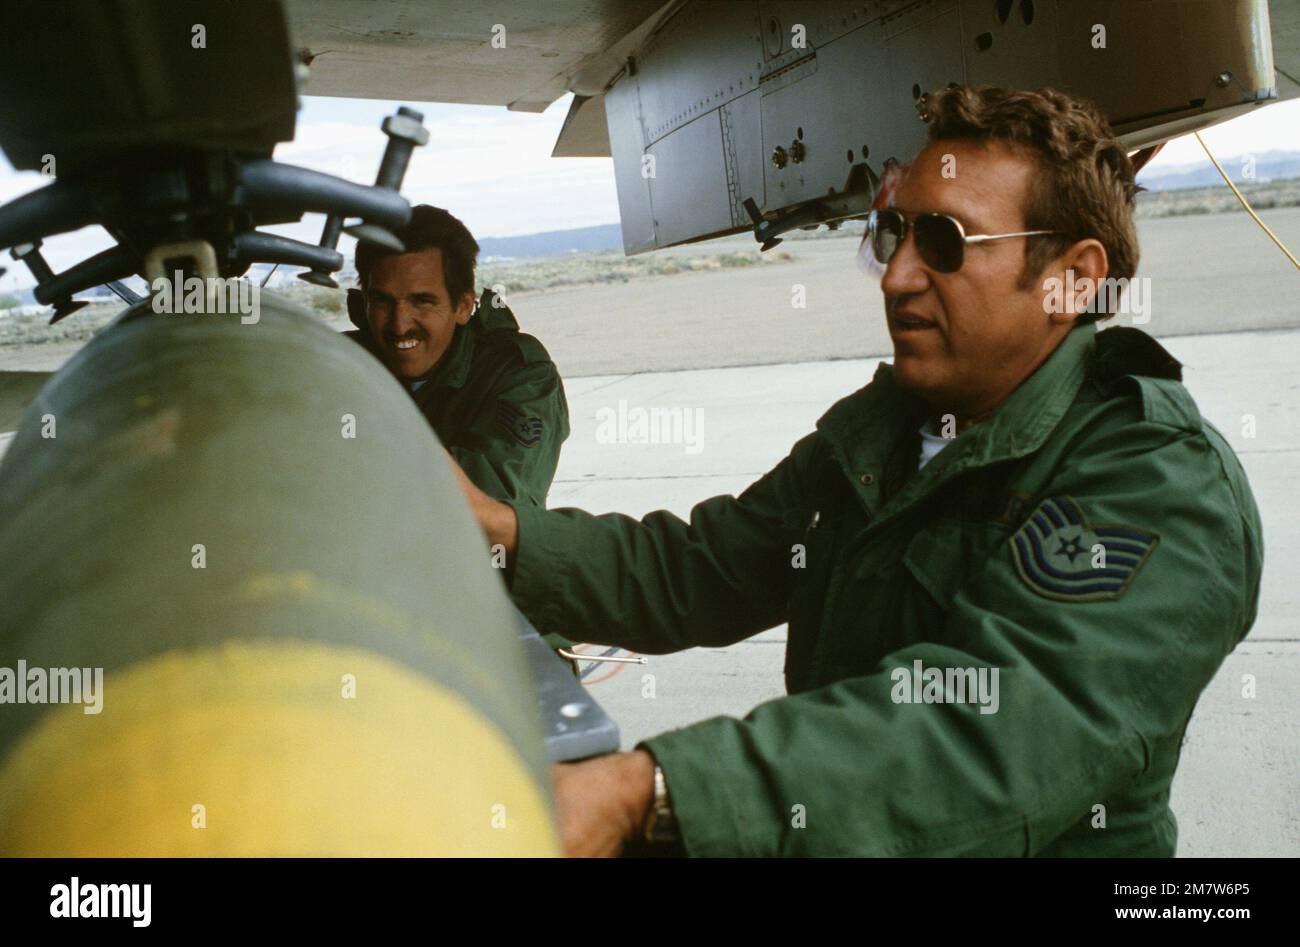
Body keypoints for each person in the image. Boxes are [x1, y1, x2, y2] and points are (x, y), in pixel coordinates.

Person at [449, 85, 1263, 857]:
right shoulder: (886, 427)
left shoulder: (1157, 479)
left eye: (944, 242)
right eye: (893, 235)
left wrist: (652, 791)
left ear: (1071, 280)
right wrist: (500, 533)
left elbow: (984, 735)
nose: (900, 275)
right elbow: (706, 565)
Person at [348, 204, 569, 507]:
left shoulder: (518, 373)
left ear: (463, 306)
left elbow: (494, 498)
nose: (399, 325)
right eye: (382, 302)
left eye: (422, 301)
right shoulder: (339, 362)